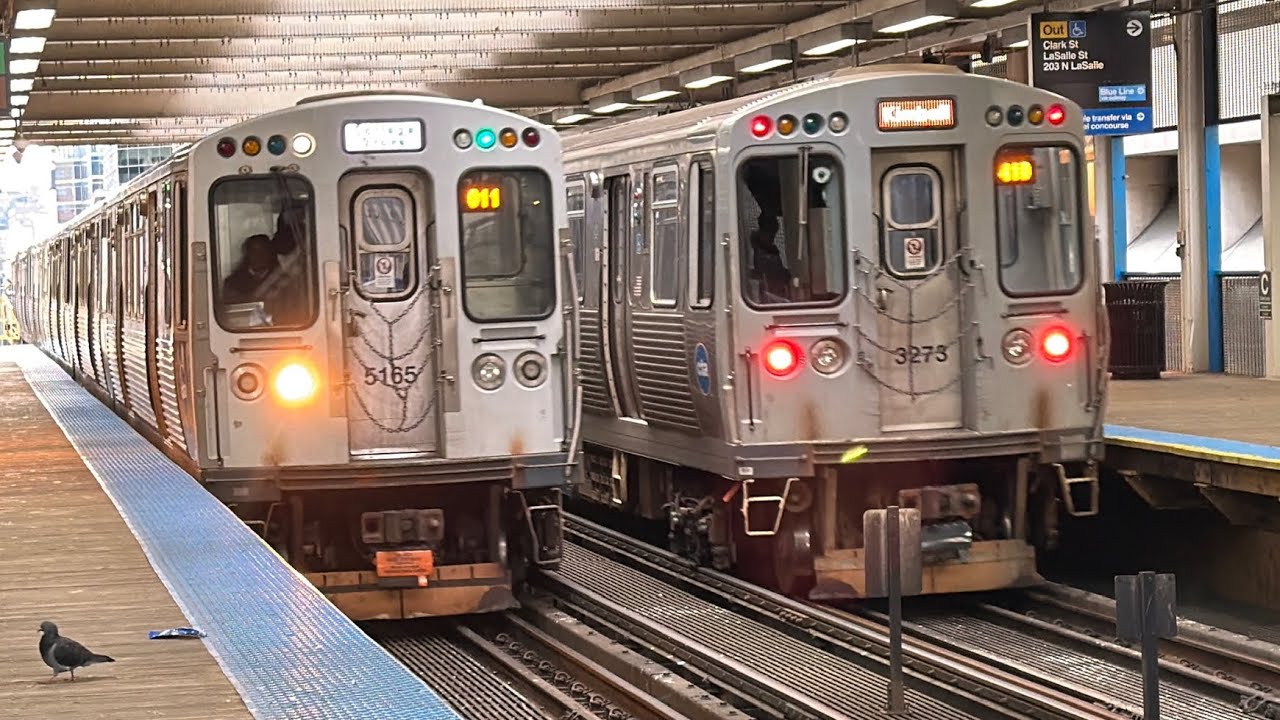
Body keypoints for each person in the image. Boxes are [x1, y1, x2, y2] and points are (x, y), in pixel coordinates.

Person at [222, 234, 299, 324]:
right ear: (247, 255)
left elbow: (293, 310)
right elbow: (233, 310)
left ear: (270, 254)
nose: (259, 256)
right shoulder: (232, 283)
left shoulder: (285, 281)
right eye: (254, 251)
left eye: (263, 251)